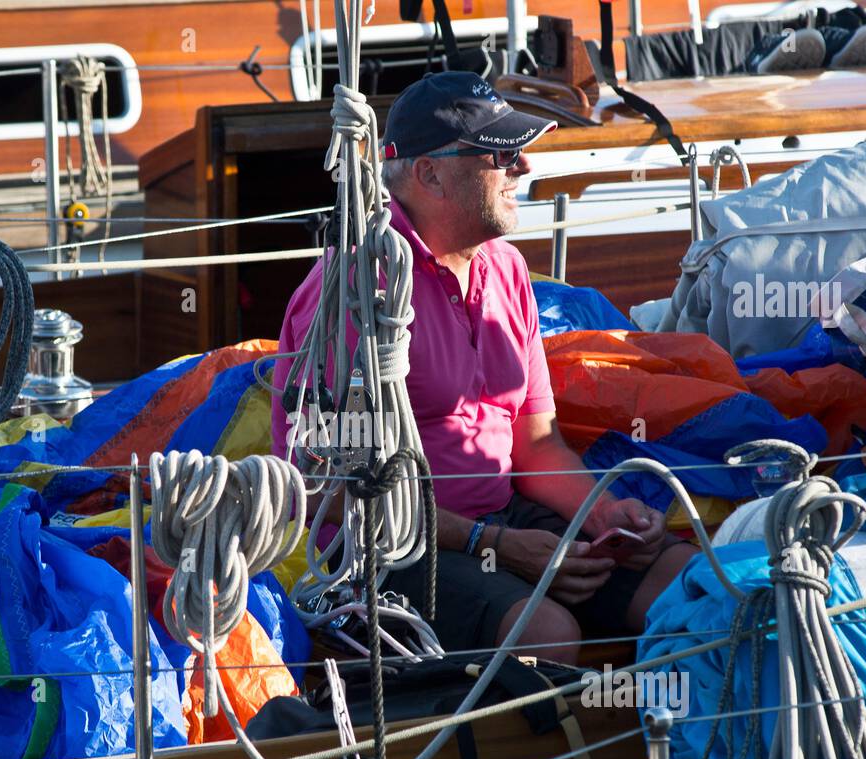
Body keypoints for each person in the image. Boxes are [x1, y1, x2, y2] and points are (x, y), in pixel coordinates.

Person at [270, 72, 698, 664]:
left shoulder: (507, 270)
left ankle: (671, 747)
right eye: (501, 154)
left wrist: (605, 513)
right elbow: (332, 492)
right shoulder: (350, 294)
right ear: (430, 174)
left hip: (501, 521)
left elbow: (536, 442)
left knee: (687, 579)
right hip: (390, 549)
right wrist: (496, 544)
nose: (522, 168)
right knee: (546, 634)